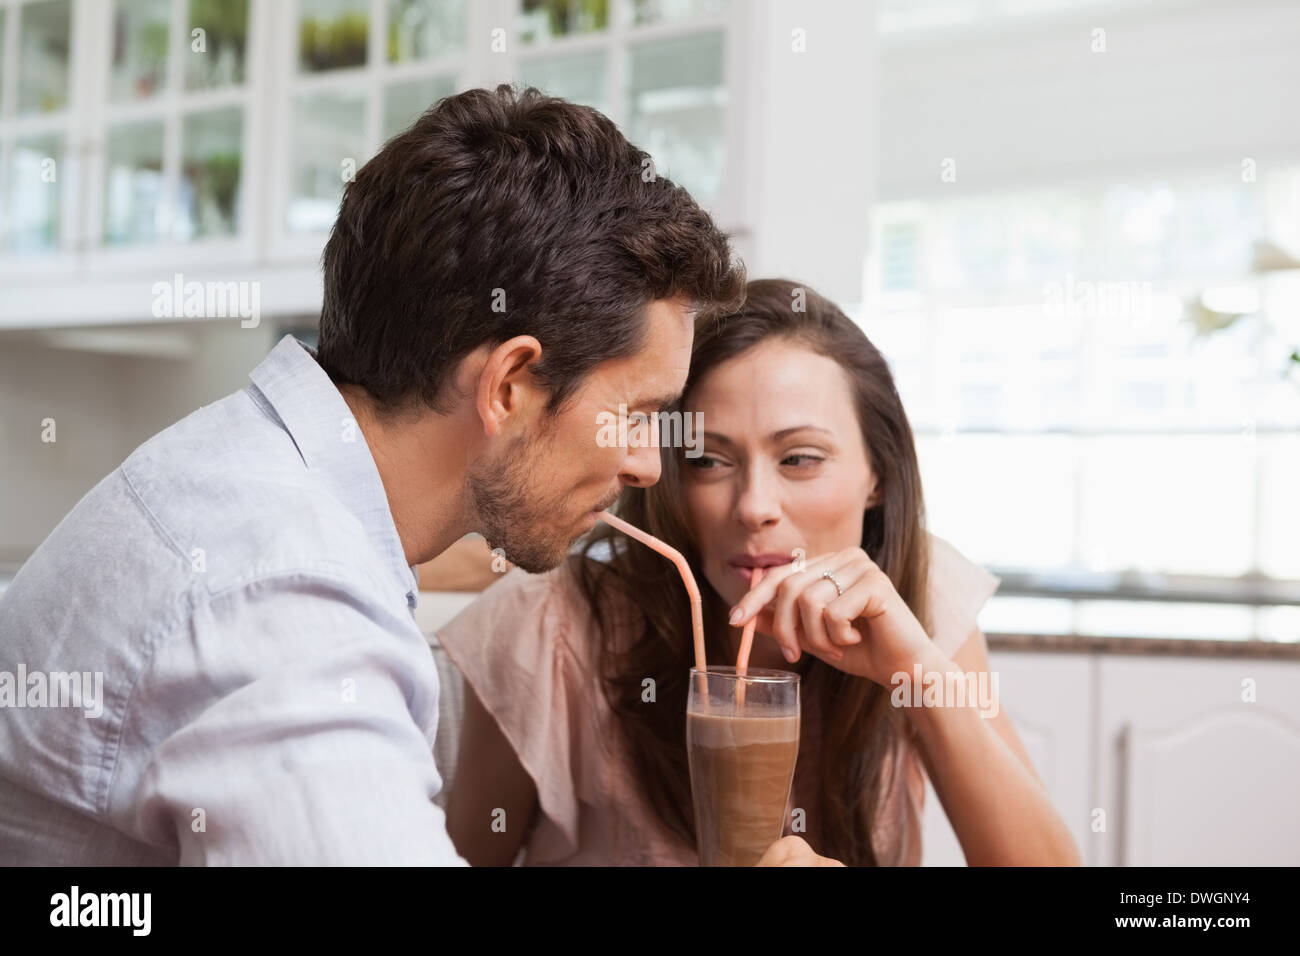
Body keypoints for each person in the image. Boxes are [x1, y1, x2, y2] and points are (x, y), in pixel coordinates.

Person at [0, 85, 747, 865]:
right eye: (635, 413)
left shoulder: (258, 483)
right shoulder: (284, 597)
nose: (644, 461)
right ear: (509, 386)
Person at [436, 278, 1083, 866]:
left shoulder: (920, 599)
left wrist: (917, 671)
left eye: (800, 459)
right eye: (710, 462)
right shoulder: (552, 625)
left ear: (877, 477)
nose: (752, 508)